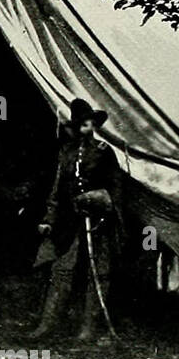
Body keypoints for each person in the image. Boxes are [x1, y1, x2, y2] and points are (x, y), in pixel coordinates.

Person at [30, 98, 123, 344]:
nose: (87, 128)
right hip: (68, 220)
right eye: (83, 123)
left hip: (98, 221)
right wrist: (49, 218)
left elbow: (116, 187)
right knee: (61, 269)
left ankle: (89, 328)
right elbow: (56, 188)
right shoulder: (66, 152)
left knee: (98, 272)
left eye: (91, 123)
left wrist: (101, 201)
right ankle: (47, 325)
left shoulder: (104, 152)